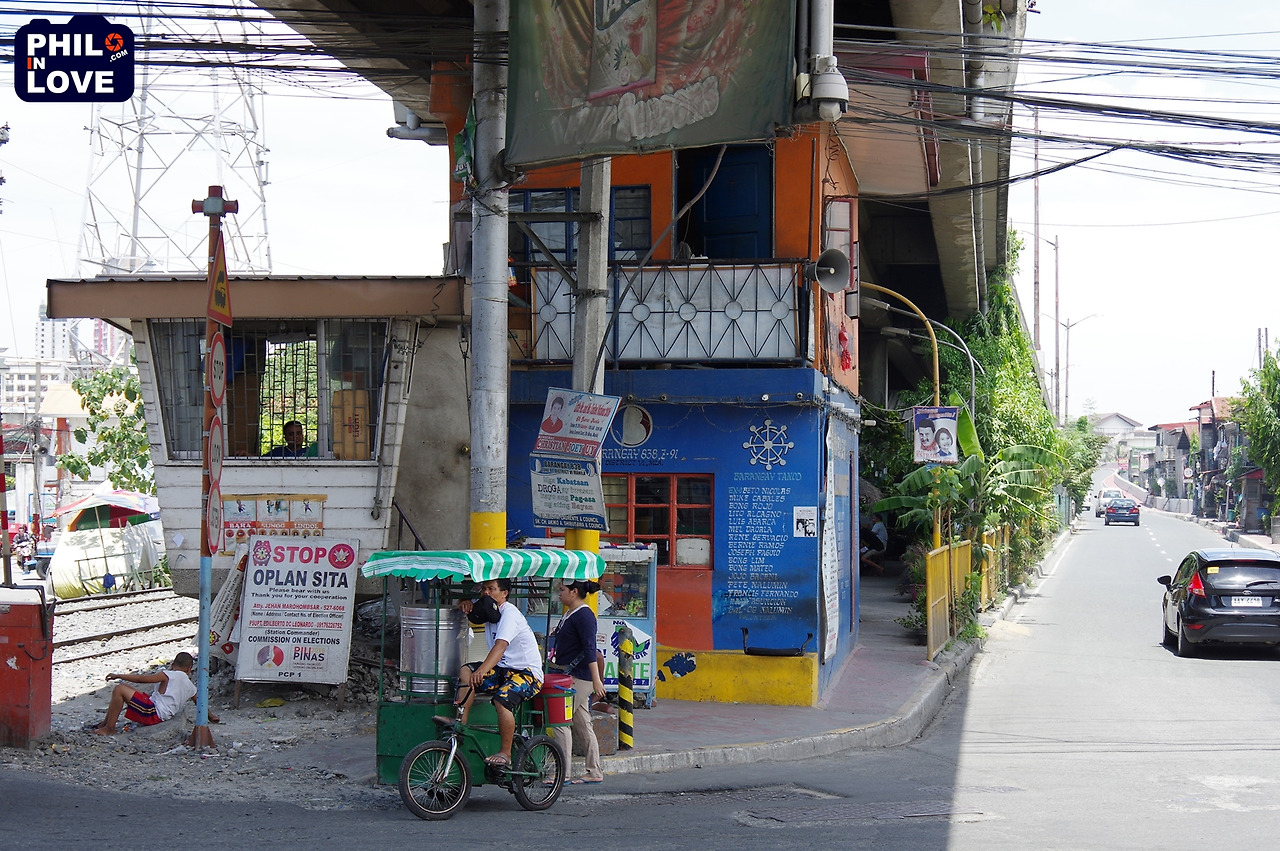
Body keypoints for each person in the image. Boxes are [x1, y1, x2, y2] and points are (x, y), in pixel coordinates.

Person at [452, 579, 544, 768]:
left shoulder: (509, 614)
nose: (486, 593)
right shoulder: (490, 613)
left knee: (502, 699)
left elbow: (500, 646)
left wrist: (483, 670)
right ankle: (461, 724)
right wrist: (464, 603)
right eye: (484, 589)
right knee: (465, 671)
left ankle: (505, 753)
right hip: (504, 670)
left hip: (527, 673)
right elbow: (464, 605)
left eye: (492, 589)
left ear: (505, 593)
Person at [549, 579, 606, 784]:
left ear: (574, 592)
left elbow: (590, 650)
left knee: (560, 721)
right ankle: (594, 771)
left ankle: (562, 772)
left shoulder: (584, 616)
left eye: (562, 590)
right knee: (582, 724)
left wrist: (596, 681)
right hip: (571, 675)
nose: (559, 594)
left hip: (579, 677)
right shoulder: (570, 614)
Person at [91, 651, 218, 735]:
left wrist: (118, 675)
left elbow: (142, 679)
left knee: (119, 689)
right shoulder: (191, 686)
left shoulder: (167, 674)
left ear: (172, 665)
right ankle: (105, 724)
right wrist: (211, 717)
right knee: (124, 688)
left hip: (153, 712)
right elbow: (200, 703)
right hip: (158, 712)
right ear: (189, 669)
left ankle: (109, 728)